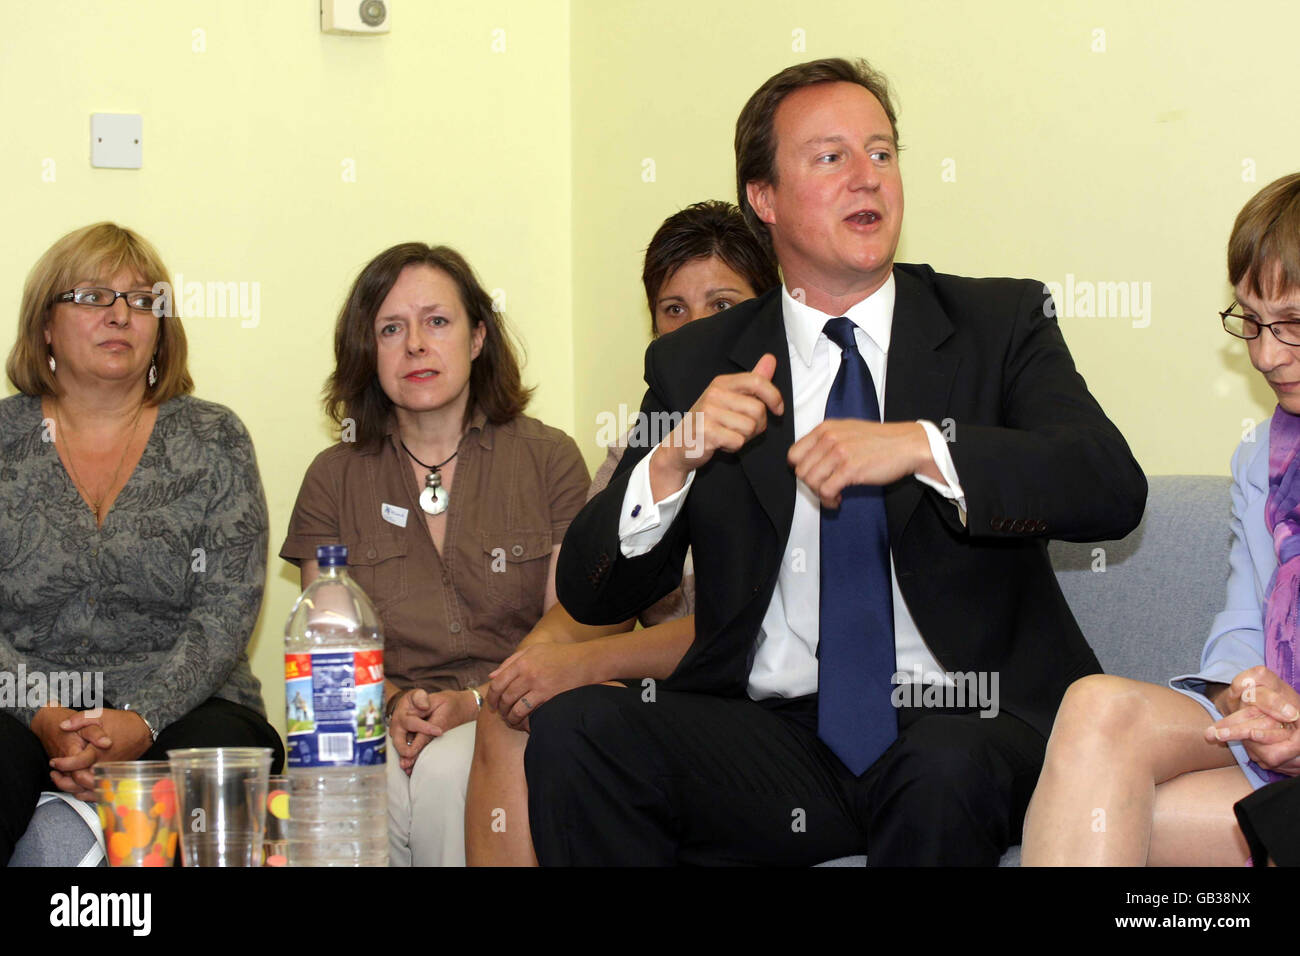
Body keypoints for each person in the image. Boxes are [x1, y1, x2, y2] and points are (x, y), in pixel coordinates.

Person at [526, 58, 1147, 866]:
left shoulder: (998, 322)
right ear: (766, 199)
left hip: (966, 716)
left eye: (882, 154)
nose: (869, 178)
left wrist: (924, 444)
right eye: (831, 157)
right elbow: (591, 589)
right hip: (774, 735)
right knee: (582, 733)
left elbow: (1107, 484)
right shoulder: (699, 363)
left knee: (940, 768)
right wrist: (672, 462)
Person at [464, 201, 779, 865]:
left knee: (581, 715)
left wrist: (580, 665)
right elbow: (587, 608)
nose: (697, 330)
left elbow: (741, 628)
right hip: (671, 694)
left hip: (764, 703)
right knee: (512, 714)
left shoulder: (789, 437)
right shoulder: (646, 442)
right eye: (674, 310)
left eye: (723, 306)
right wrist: (511, 682)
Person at [280, 242, 590, 867]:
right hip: (382, 716)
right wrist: (397, 706)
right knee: (341, 775)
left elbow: (571, 634)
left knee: (452, 770)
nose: (415, 344)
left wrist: (471, 704)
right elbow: (326, 653)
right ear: (369, 352)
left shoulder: (549, 459)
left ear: (478, 338)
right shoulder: (332, 478)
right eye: (391, 328)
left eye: (437, 322)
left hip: (510, 715)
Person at [1022, 173, 1300, 866]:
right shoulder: (1264, 455)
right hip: (1281, 752)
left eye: (1292, 322)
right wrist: (1247, 695)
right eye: (1250, 321)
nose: (1265, 355)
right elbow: (1241, 628)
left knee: (1125, 811)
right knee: (1096, 712)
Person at [0, 222, 282, 864]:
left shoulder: (214, 439)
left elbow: (227, 610)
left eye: (144, 300)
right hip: (21, 704)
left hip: (186, 703)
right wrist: (42, 715)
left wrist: (141, 719)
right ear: (45, 324)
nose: (122, 314)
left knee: (218, 761)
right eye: (94, 296)